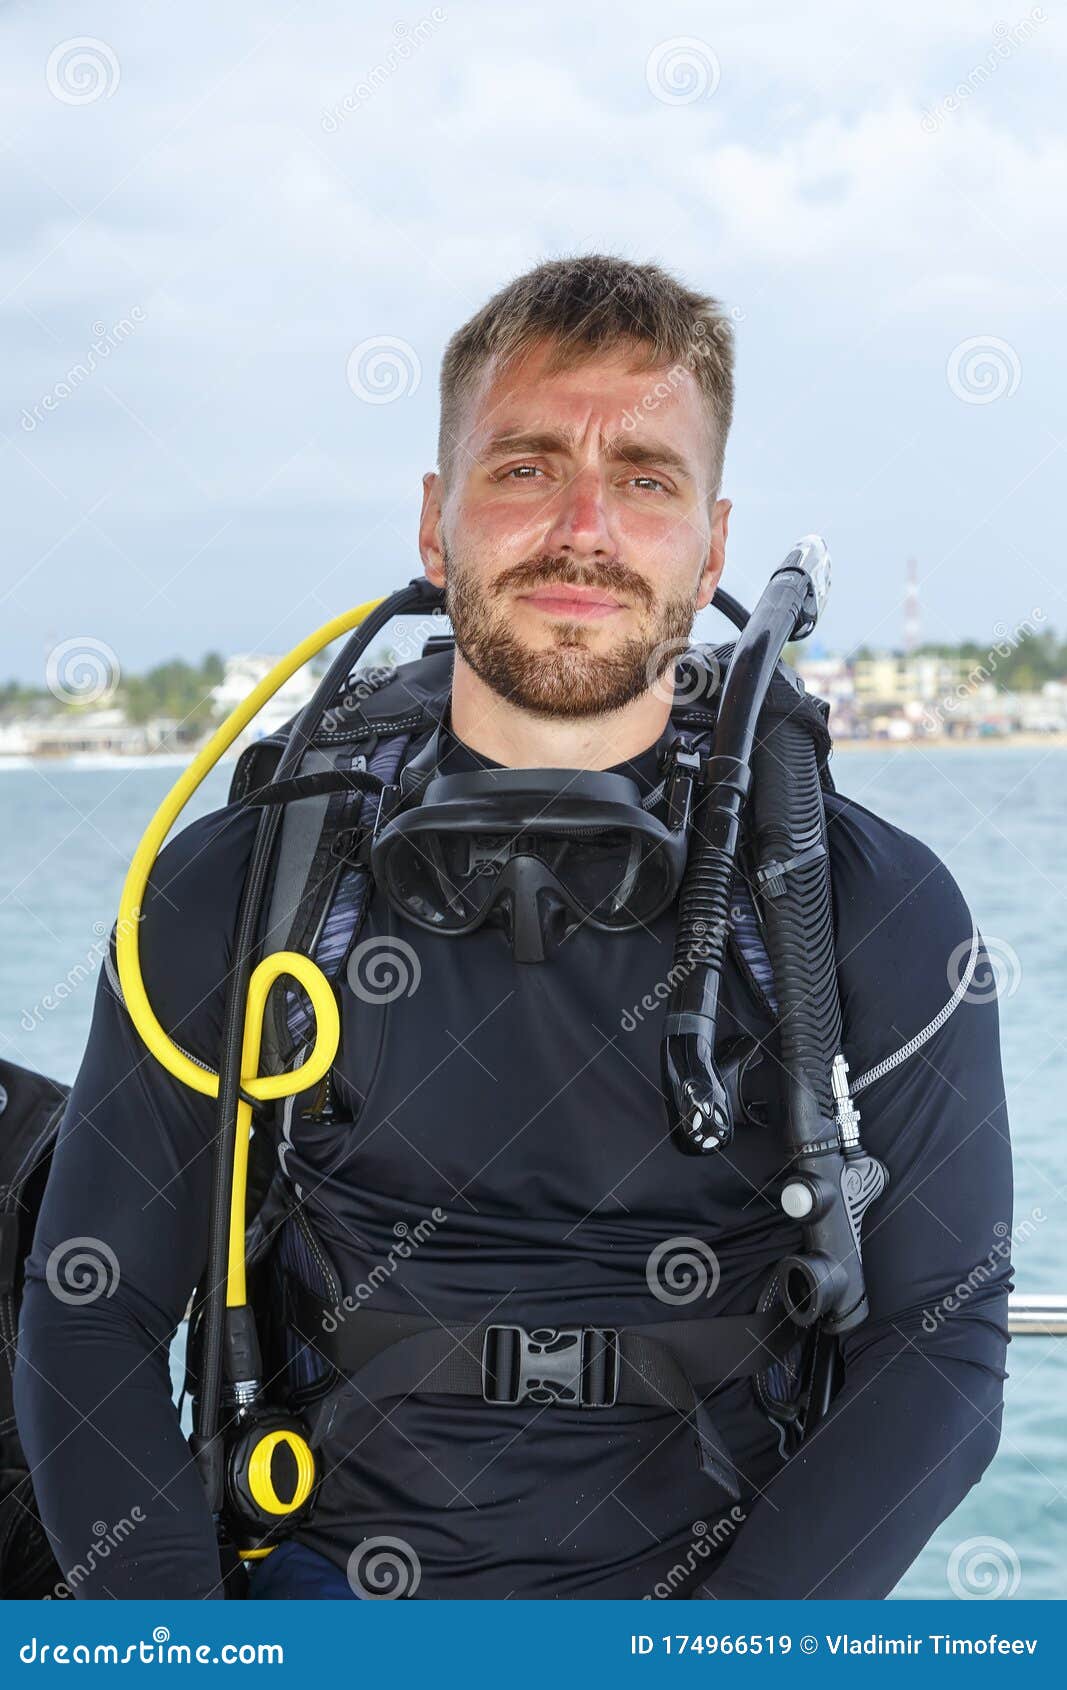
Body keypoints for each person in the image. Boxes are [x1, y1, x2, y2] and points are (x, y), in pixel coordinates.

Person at [15, 254, 1012, 1600]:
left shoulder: (861, 902)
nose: (584, 524)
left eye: (647, 477)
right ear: (437, 525)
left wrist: (713, 1663)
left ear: (714, 544)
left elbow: (940, 1353)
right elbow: (91, 1319)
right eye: (527, 466)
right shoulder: (244, 887)